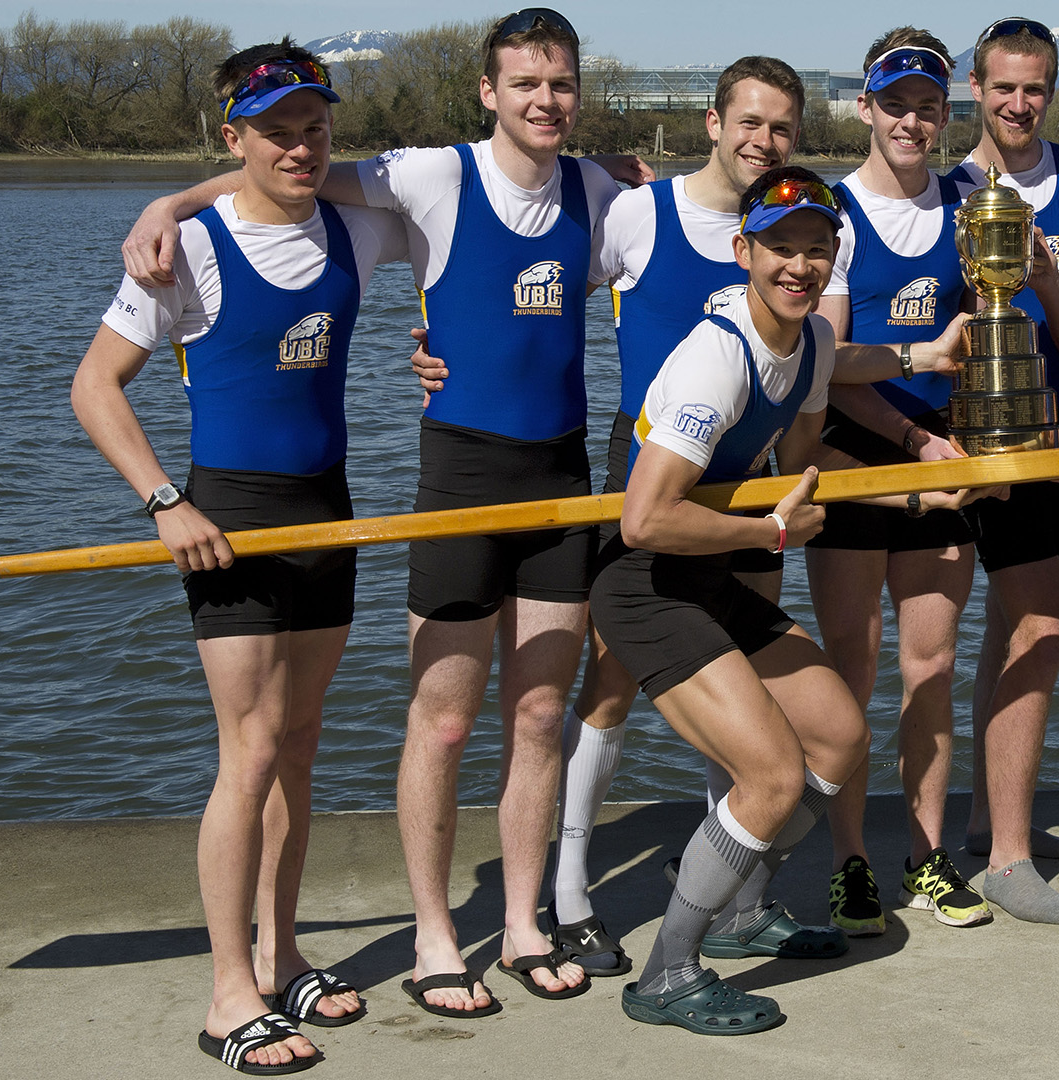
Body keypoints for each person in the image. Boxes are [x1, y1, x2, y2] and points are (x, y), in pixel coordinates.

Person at [409, 55, 964, 963]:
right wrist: (441, 347)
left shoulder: (795, 235)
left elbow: (823, 354)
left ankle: (736, 893)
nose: (764, 140)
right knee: (608, 689)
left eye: (782, 128)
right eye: (748, 123)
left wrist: (919, 359)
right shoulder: (636, 212)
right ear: (713, 123)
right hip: (656, 478)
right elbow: (525, 284)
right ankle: (571, 892)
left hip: (748, 481)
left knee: (739, 704)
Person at [121, 7, 621, 1013]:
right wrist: (168, 201)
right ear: (489, 92)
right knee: (441, 725)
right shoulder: (430, 175)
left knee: (536, 719)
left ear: (577, 90)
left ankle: (523, 923)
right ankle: (436, 937)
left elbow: (680, 253)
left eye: (560, 84)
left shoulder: (602, 189)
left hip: (564, 477)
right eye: (524, 83)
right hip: (462, 478)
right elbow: (279, 176)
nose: (544, 100)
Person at [71, 40, 407, 1072]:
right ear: (236, 137)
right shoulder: (191, 250)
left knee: (299, 744)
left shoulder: (357, 230)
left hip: (328, 511)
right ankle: (228, 997)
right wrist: (165, 502)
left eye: (315, 128)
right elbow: (95, 388)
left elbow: (473, 193)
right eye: (276, 132)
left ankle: (283, 953)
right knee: (249, 750)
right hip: (229, 519)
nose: (300, 148)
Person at [592, 167, 970, 1033]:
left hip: (715, 576)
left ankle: (741, 912)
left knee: (839, 741)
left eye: (815, 250)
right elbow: (645, 519)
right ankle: (667, 972)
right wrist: (767, 536)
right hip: (647, 588)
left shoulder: (809, 351)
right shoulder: (715, 359)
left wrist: (917, 492)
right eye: (779, 249)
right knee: (767, 775)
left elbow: (807, 476)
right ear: (744, 253)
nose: (798, 266)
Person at [809, 26, 997, 936]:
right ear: (865, 108)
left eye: (928, 106)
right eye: (895, 105)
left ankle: (926, 854)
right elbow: (833, 360)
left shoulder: (973, 199)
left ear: (946, 109)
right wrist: (917, 438)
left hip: (943, 460)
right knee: (852, 670)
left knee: (931, 667)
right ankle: (849, 862)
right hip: (853, 461)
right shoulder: (833, 216)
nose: (911, 122)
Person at [942, 16, 1059, 924]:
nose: (1018, 103)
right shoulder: (942, 192)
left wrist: (1045, 281)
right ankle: (1009, 856)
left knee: (1012, 626)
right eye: (1002, 86)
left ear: (1053, 91)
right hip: (988, 446)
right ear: (977, 86)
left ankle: (983, 819)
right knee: (1046, 621)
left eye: (1034, 87)